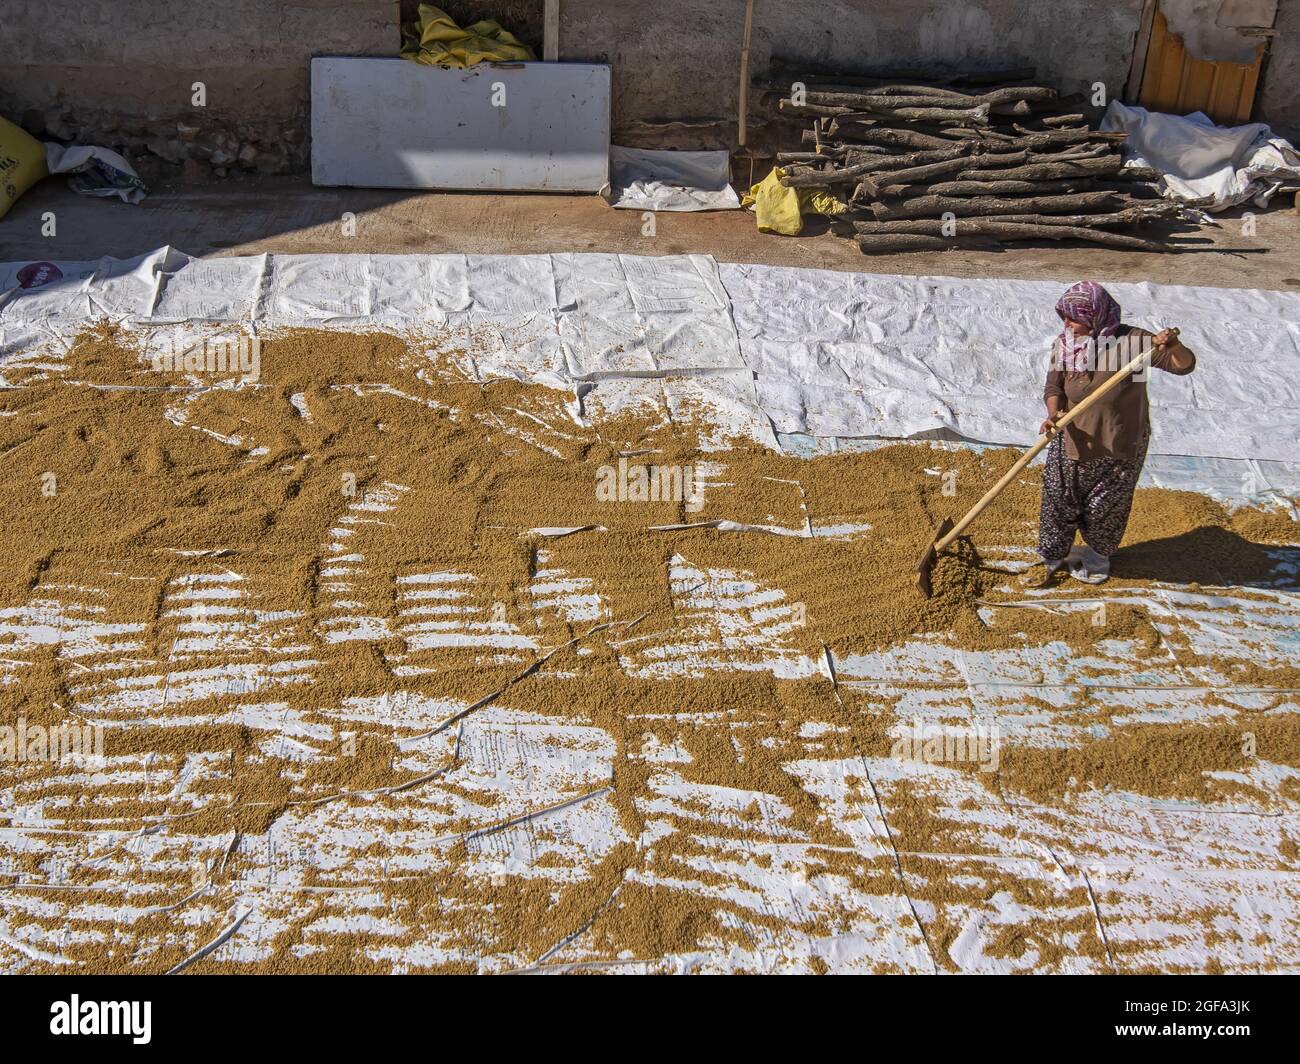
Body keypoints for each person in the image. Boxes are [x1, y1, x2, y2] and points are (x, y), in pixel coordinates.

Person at [1026, 281, 1196, 587]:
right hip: (1073, 439)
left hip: (1118, 441)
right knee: (1058, 499)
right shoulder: (1065, 344)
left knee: (1106, 505)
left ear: (1095, 314)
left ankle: (1096, 557)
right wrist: (1054, 414)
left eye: (1072, 317)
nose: (1066, 324)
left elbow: (1183, 366)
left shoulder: (1134, 344)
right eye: (1063, 316)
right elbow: (1053, 387)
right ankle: (1053, 555)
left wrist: (1172, 346)